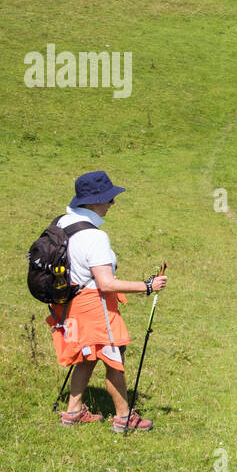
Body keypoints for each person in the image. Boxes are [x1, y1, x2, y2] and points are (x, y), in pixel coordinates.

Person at [47, 171, 167, 433]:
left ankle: (72, 412)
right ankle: (124, 417)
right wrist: (147, 286)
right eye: (108, 199)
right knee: (114, 360)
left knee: (87, 357)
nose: (112, 203)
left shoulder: (63, 222)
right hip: (97, 307)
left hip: (71, 303)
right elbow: (106, 283)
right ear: (93, 202)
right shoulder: (94, 237)